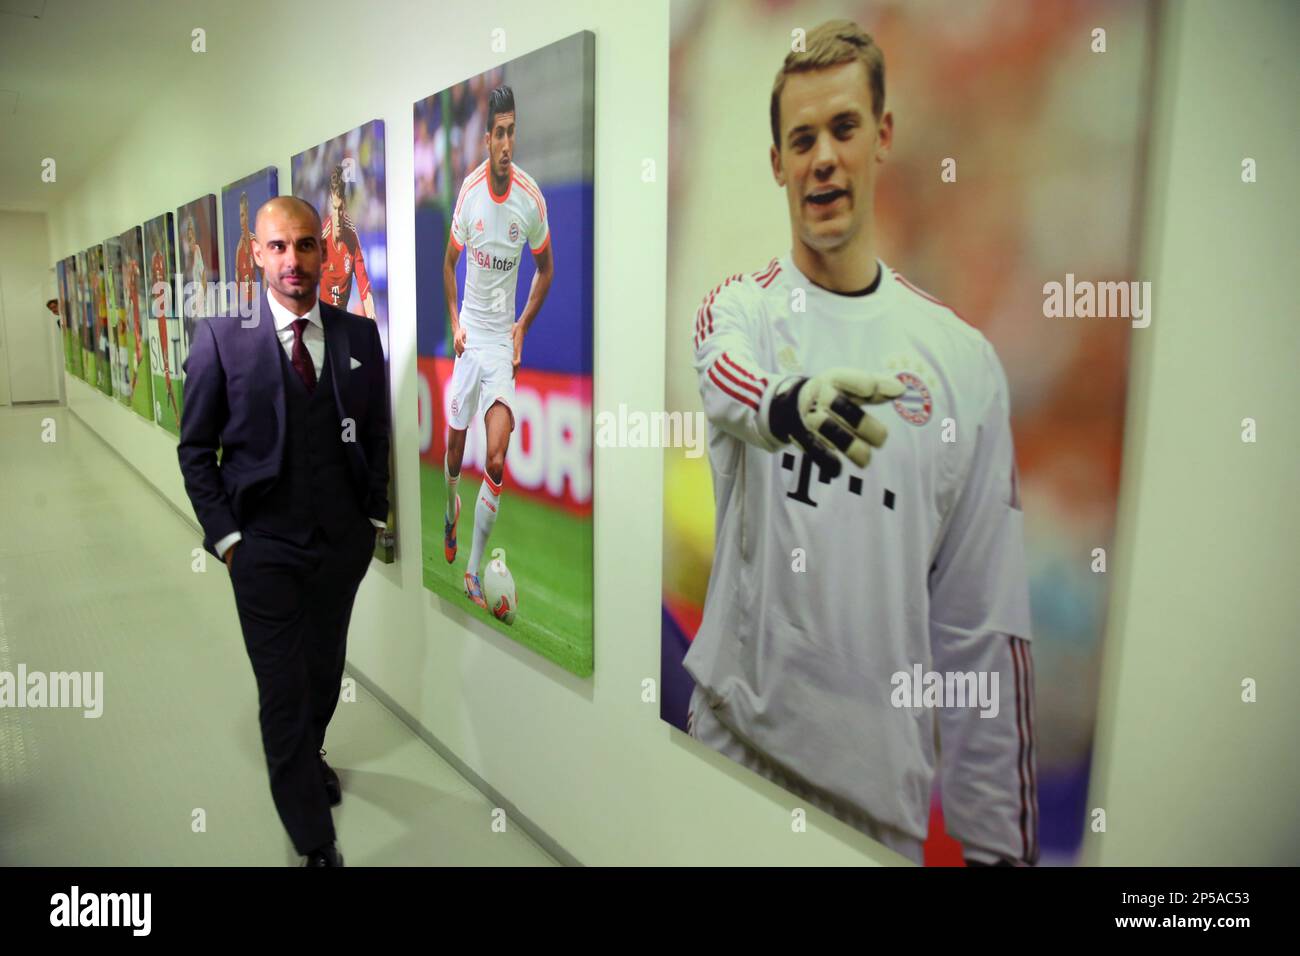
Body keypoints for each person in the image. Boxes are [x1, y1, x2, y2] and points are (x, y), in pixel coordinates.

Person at [683, 20, 1038, 866]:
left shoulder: (963, 366)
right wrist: (789, 404)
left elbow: (982, 627)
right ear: (777, 163)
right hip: (732, 759)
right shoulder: (743, 311)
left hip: (876, 813)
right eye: (801, 139)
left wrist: (997, 847)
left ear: (882, 138)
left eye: (844, 129)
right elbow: (722, 377)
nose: (823, 158)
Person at [177, 196, 390, 867]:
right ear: (257, 256)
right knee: (282, 686)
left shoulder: (358, 335)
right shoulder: (220, 337)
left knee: (324, 668)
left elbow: (375, 430)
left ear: (323, 252)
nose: (291, 260)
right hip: (262, 545)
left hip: (340, 544)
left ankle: (310, 751)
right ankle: (313, 838)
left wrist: (372, 516)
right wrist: (229, 540)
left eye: (303, 245)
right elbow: (195, 450)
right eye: (276, 247)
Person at [441, 84, 554, 609]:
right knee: (454, 453)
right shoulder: (469, 194)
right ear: (486, 139)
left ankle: (471, 570)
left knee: (498, 458)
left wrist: (522, 325)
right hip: (469, 340)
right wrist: (453, 323)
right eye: (500, 133)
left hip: (500, 345)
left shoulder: (531, 201)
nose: (507, 142)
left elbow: (546, 270)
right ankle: (449, 508)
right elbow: (447, 265)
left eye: (513, 132)